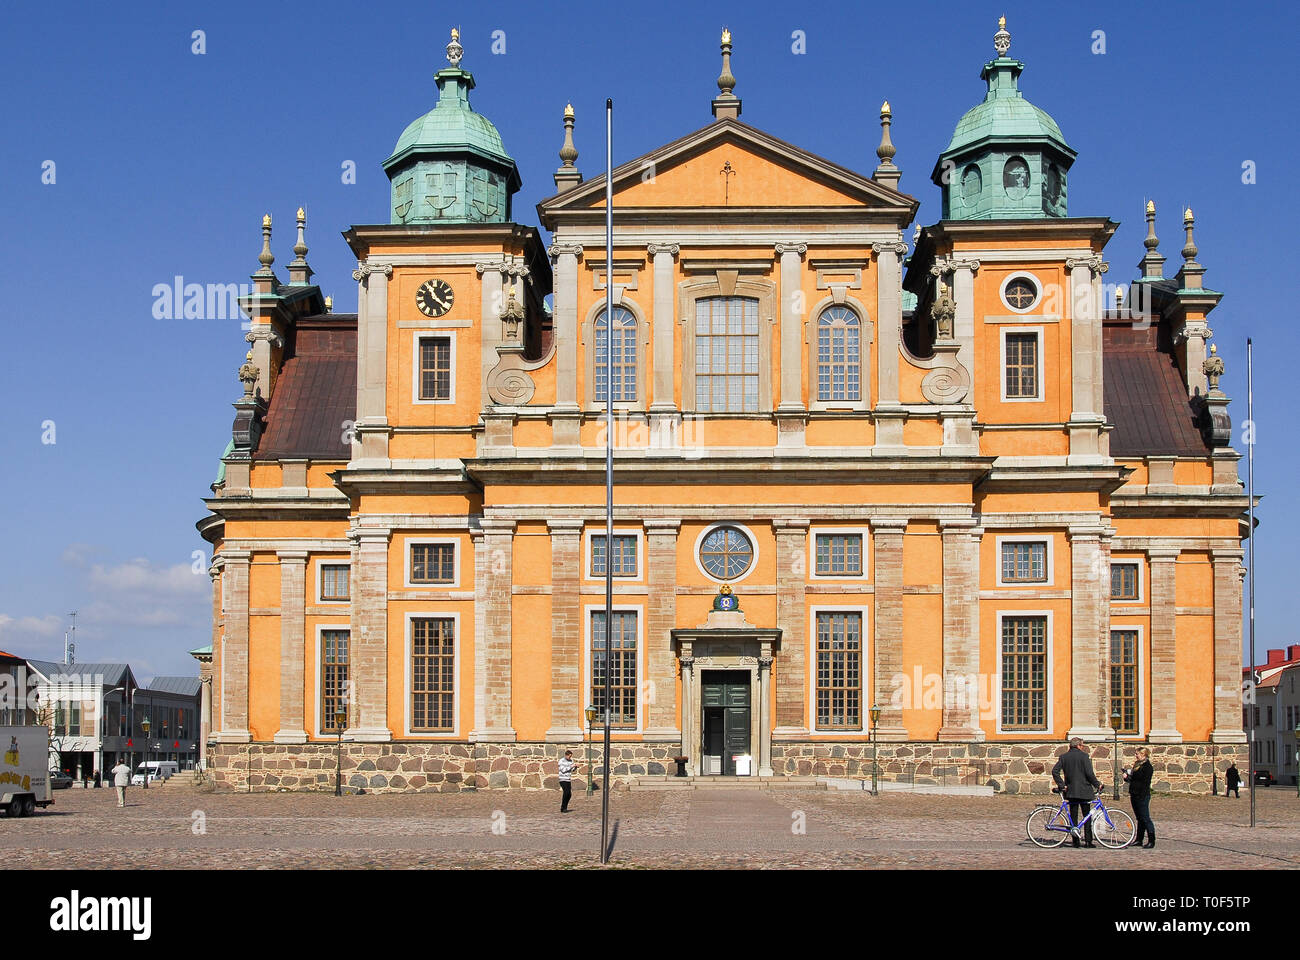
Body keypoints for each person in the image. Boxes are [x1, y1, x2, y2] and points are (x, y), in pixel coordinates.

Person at [1051, 738, 1103, 848]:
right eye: (1082, 745)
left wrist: (1062, 785)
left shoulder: (1064, 757)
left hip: (1071, 791)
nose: (1083, 747)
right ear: (1079, 746)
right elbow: (1089, 774)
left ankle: (1075, 841)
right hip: (1084, 791)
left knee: (1073, 816)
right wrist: (1097, 784)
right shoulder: (1084, 757)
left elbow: (1055, 771)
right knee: (1087, 816)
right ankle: (1088, 841)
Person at [1122, 747, 1156, 849]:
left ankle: (1151, 840)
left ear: (1143, 755)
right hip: (1134, 794)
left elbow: (1143, 782)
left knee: (1145, 818)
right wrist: (1127, 777)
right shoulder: (1137, 765)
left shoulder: (1147, 767)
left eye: (1137, 754)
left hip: (1142, 795)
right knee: (1139, 818)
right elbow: (1134, 779)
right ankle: (1139, 839)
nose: (1136, 755)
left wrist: (1129, 778)